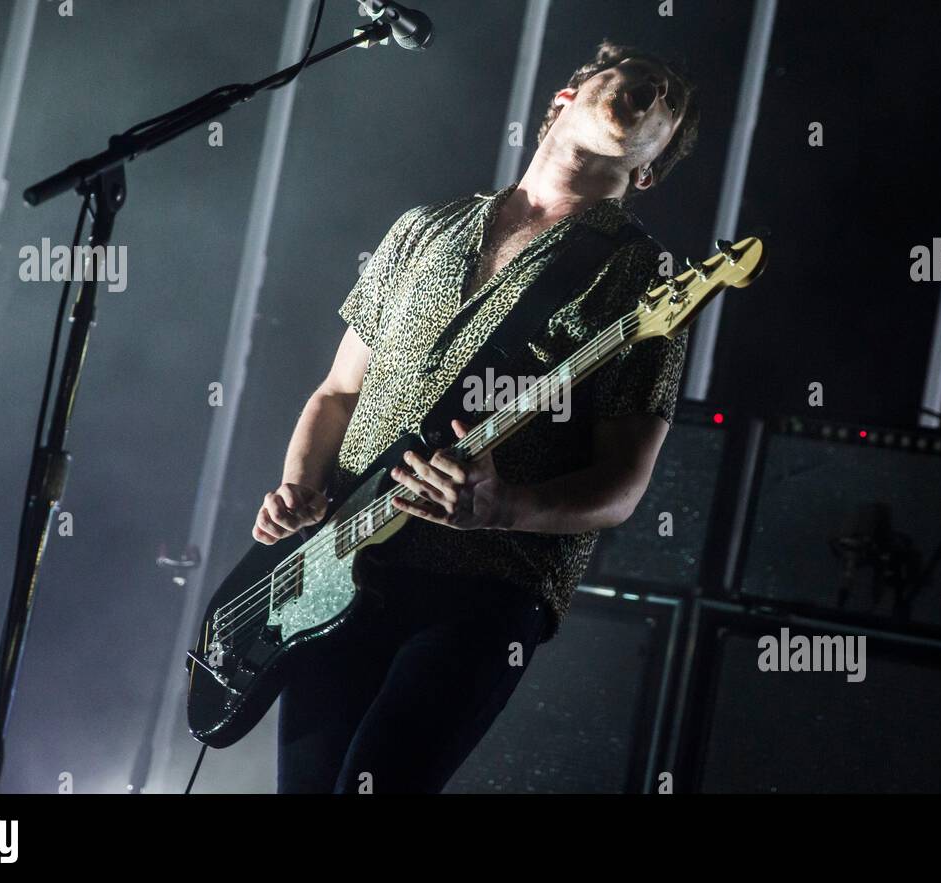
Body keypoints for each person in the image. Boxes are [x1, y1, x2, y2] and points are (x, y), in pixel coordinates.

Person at [255, 40, 700, 793]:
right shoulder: (423, 228)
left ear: (649, 169)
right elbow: (336, 393)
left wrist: (505, 506)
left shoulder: (643, 279)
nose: (654, 97)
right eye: (640, 80)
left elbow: (624, 485)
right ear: (565, 98)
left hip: (484, 589)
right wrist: (298, 487)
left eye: (669, 107)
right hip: (341, 568)